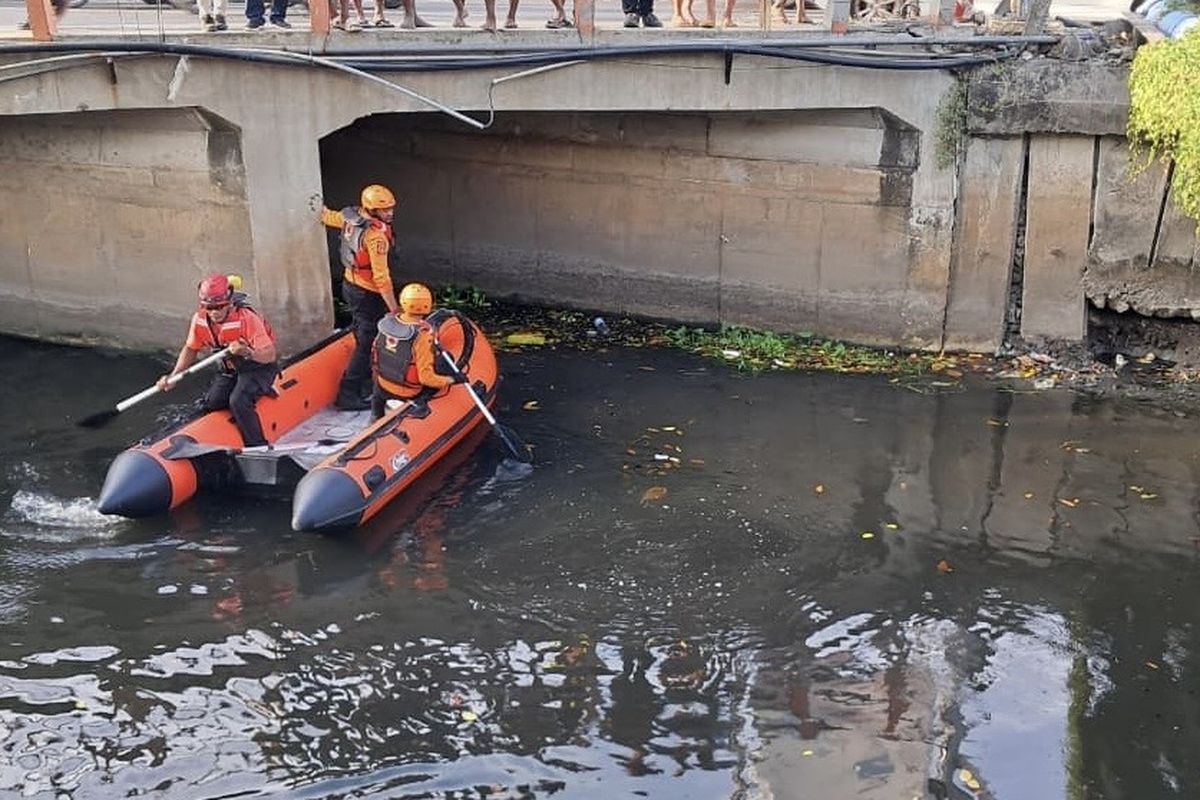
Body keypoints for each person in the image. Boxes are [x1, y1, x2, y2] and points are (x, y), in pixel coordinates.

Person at [157, 274, 279, 448]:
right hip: (231, 369)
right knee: (213, 402)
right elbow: (191, 348)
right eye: (209, 307)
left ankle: (257, 445)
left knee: (238, 401)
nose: (214, 312)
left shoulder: (246, 318)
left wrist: (247, 352)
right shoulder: (200, 320)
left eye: (219, 307)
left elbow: (269, 355)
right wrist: (174, 376)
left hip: (257, 367)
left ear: (229, 303)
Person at [321, 184, 400, 411]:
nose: (390, 214)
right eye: (385, 211)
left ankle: (365, 377)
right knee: (366, 342)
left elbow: (330, 218)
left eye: (391, 209)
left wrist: (323, 211)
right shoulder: (376, 238)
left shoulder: (352, 221)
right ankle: (349, 393)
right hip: (368, 293)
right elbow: (381, 278)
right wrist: (394, 308)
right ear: (371, 210)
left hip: (350, 286)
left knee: (362, 333)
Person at [370, 283, 466, 420]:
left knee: (380, 389)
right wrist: (452, 379)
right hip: (409, 392)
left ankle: (375, 414)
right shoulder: (422, 337)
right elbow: (426, 378)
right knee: (445, 360)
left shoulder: (386, 324)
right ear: (427, 306)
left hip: (382, 385)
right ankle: (421, 403)